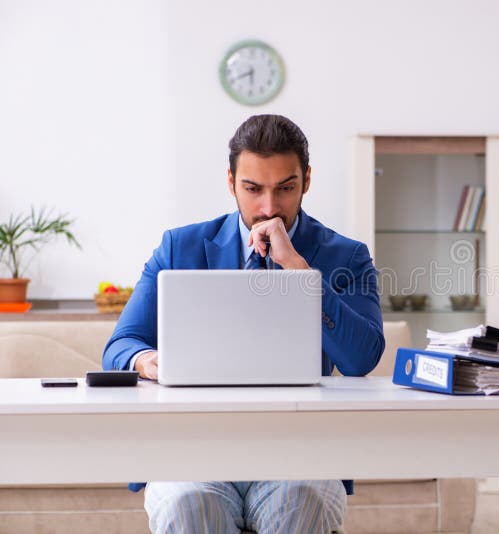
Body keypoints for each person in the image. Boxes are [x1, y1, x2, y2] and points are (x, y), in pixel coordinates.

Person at [102, 114, 385, 534]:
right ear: (231, 181)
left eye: (285, 188)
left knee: (303, 504)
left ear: (306, 181)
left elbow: (362, 359)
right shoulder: (180, 247)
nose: (269, 208)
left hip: (299, 450)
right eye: (253, 189)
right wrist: (148, 360)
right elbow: (121, 345)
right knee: (187, 505)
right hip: (193, 449)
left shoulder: (347, 256)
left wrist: (300, 273)